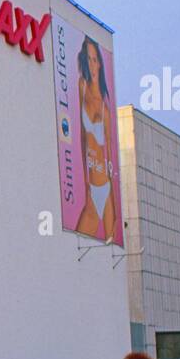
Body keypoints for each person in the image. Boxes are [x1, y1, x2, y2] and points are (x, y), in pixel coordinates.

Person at [74, 36, 117, 242]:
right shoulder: (81, 86)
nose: (92, 64)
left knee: (111, 257)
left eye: (94, 59)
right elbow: (82, 137)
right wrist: (85, 182)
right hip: (91, 190)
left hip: (106, 189)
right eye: (88, 59)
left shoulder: (105, 110)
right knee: (76, 247)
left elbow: (109, 157)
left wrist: (115, 205)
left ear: (100, 62)